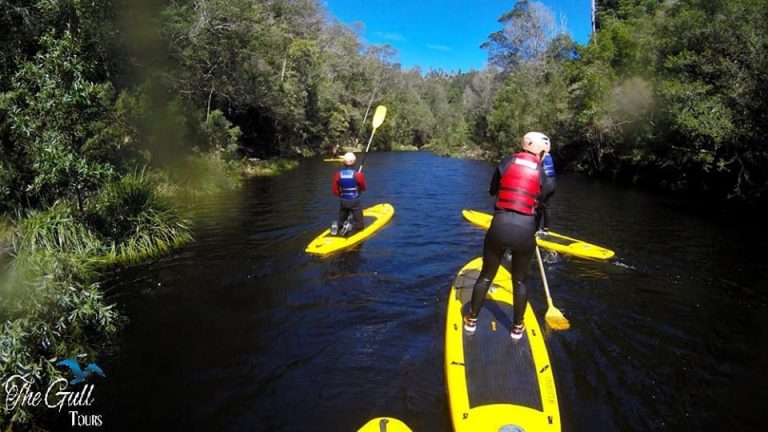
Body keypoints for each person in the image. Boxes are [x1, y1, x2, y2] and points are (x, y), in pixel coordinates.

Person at [463, 132, 554, 340]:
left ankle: (472, 321)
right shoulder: (543, 173)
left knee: (486, 276)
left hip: (500, 226)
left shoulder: (507, 161)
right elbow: (540, 202)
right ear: (540, 152)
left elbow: (492, 190)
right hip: (525, 230)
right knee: (520, 281)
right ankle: (517, 327)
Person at [331, 152, 367, 236]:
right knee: (360, 224)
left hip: (343, 200)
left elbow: (335, 191)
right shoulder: (358, 174)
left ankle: (339, 225)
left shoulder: (338, 174)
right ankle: (349, 227)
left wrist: (341, 194)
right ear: (354, 162)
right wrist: (358, 187)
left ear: (343, 163)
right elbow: (363, 188)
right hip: (354, 201)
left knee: (342, 217)